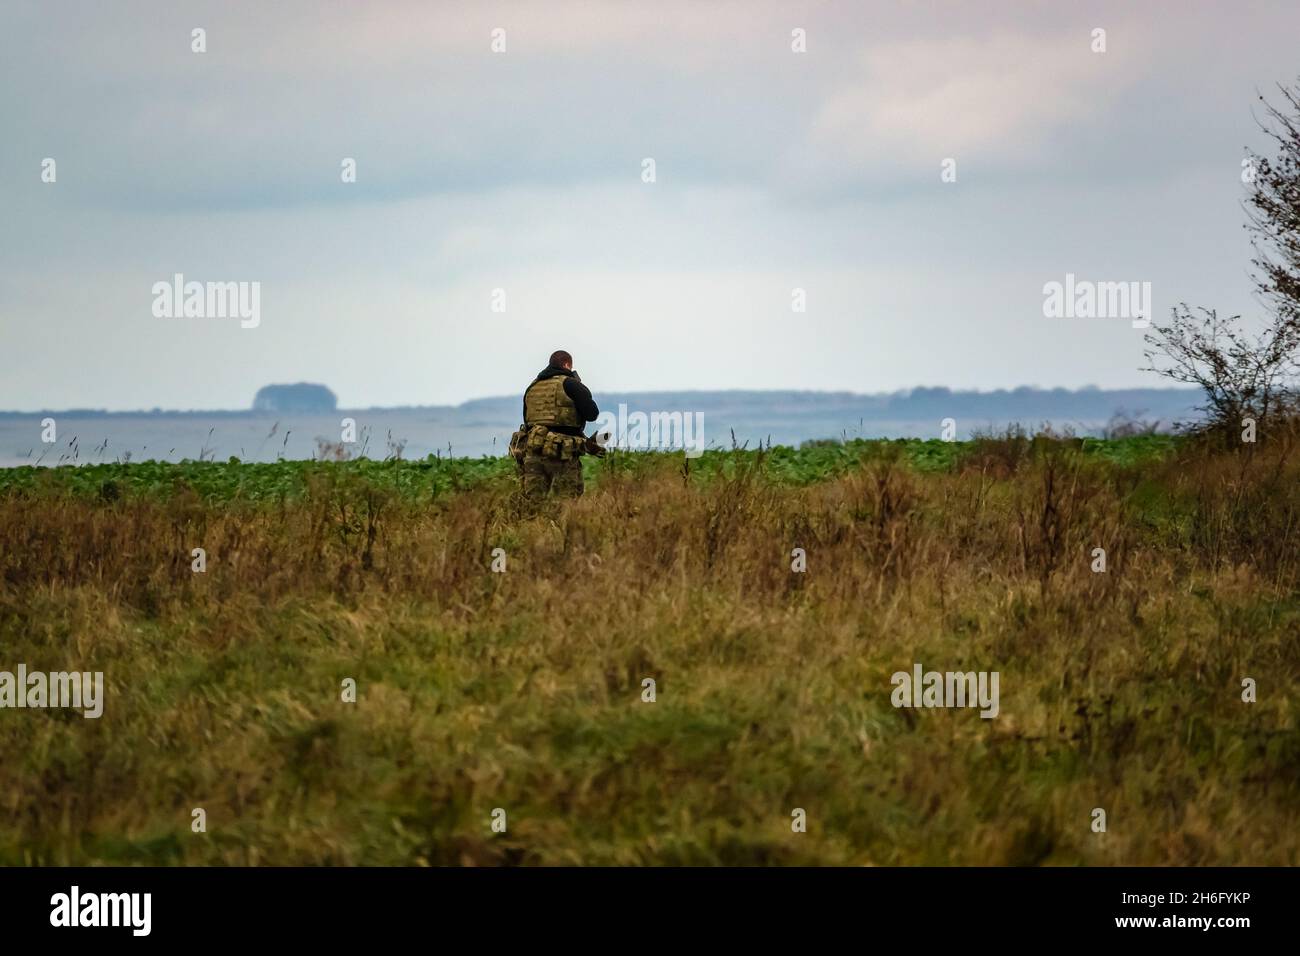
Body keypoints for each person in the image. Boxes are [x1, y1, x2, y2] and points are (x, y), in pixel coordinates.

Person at [511, 350, 600, 499]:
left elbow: (527, 420)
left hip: (534, 452)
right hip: (562, 454)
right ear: (567, 365)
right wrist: (580, 387)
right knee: (567, 501)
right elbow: (592, 414)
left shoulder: (533, 387)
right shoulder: (571, 384)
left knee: (533, 502)